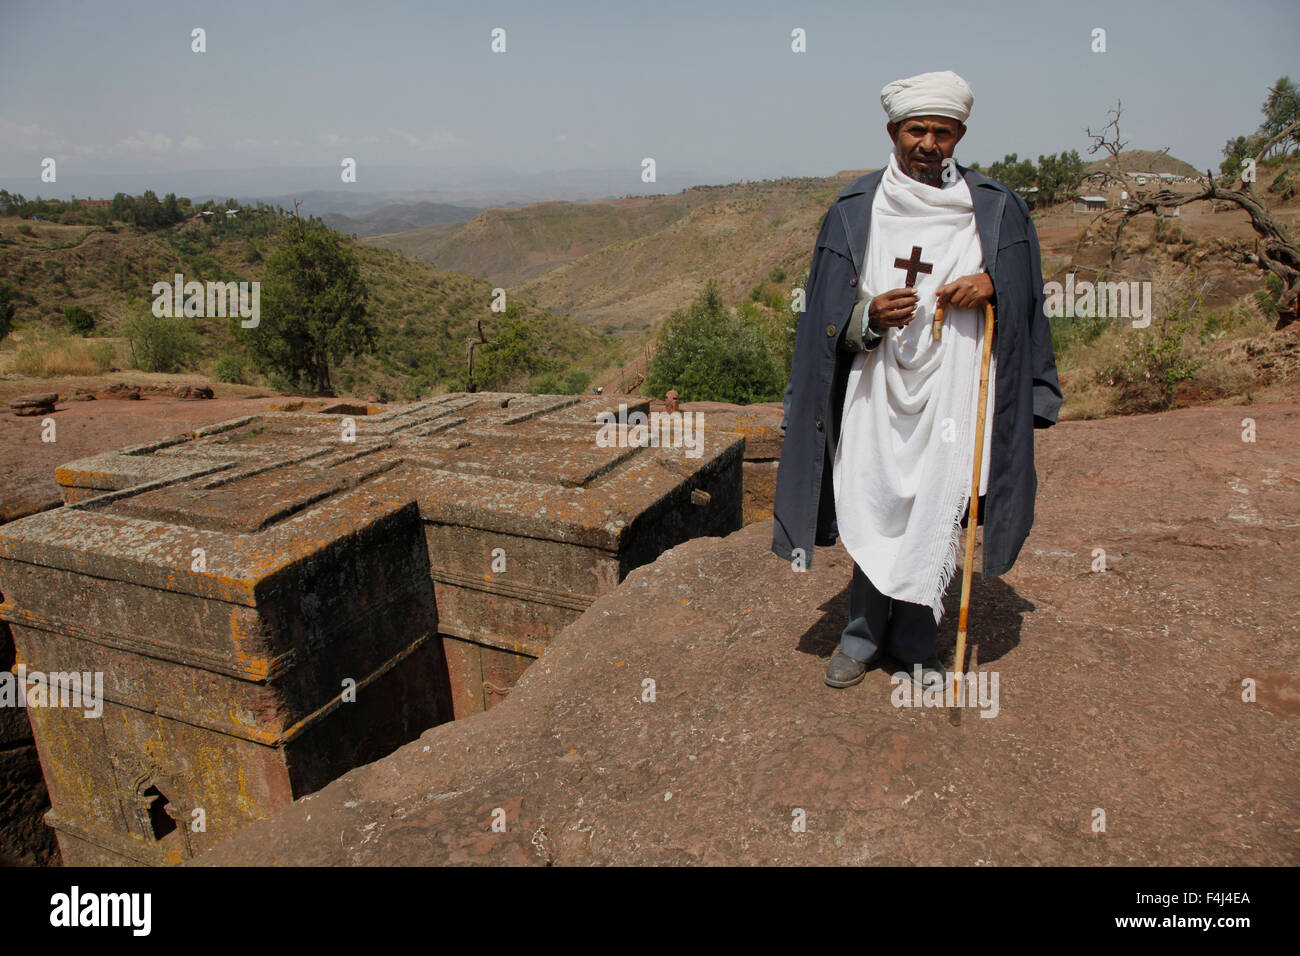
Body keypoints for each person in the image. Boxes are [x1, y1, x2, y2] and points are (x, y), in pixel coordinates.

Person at [771, 69, 1062, 690]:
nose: (929, 143)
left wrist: (992, 285)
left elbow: (1028, 297)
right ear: (893, 132)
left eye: (943, 132)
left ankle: (915, 643)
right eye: (916, 130)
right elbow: (823, 318)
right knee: (875, 500)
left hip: (955, 386)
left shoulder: (995, 208)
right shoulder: (855, 210)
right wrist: (865, 318)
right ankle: (860, 636)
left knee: (933, 509)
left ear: (960, 134)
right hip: (876, 387)